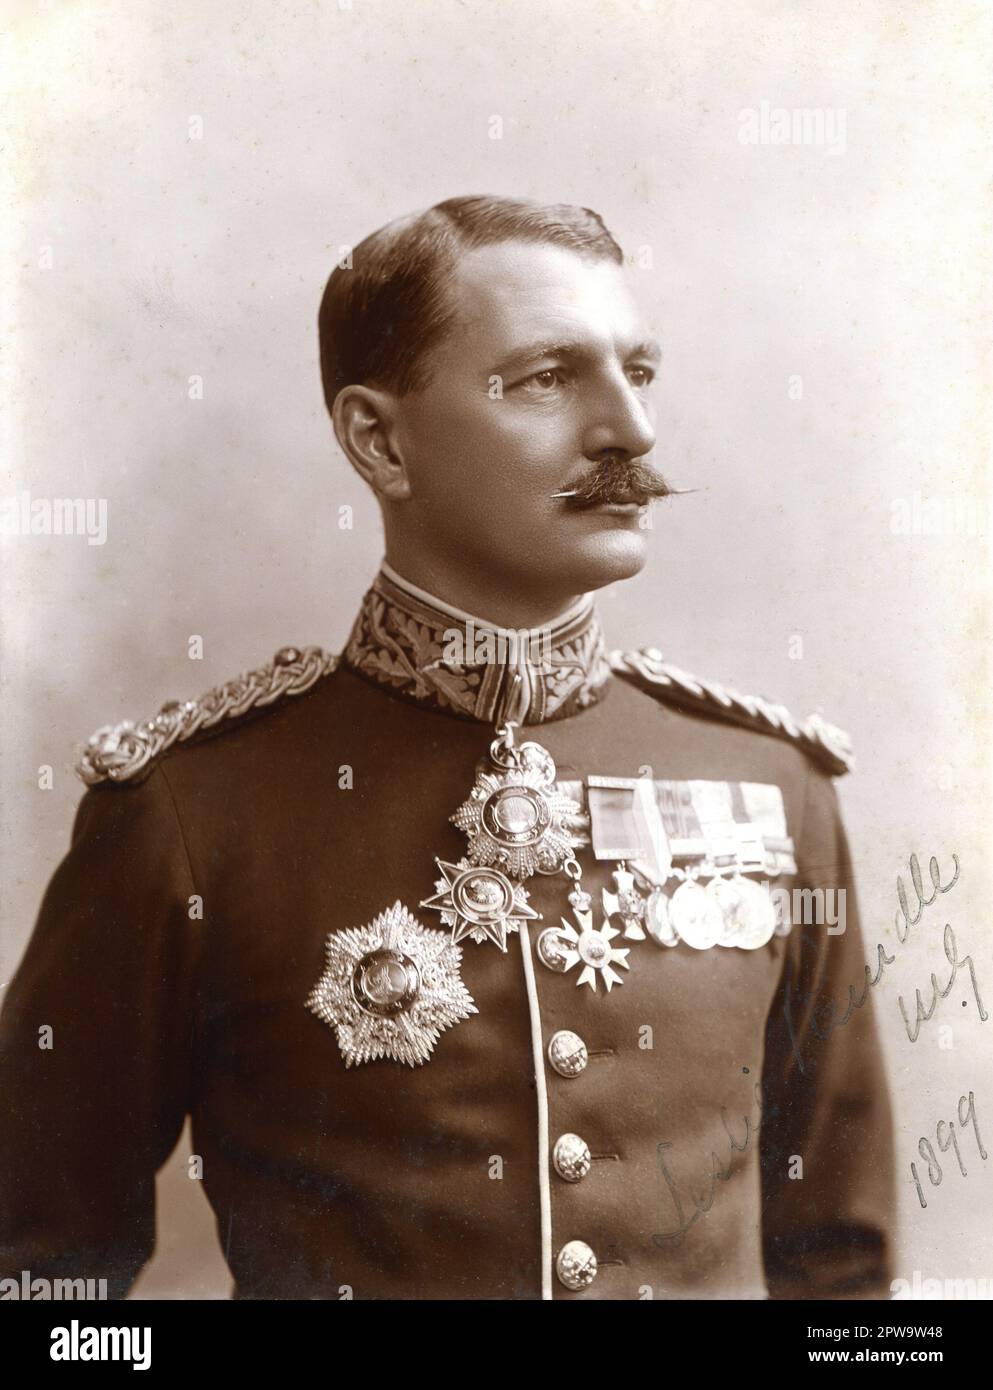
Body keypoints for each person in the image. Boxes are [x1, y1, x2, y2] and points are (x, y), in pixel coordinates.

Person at [0, 196, 894, 1300]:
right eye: (546, 378)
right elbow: (40, 1282)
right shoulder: (191, 812)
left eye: (640, 372)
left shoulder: (774, 786)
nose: (630, 430)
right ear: (380, 440)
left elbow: (847, 1281)